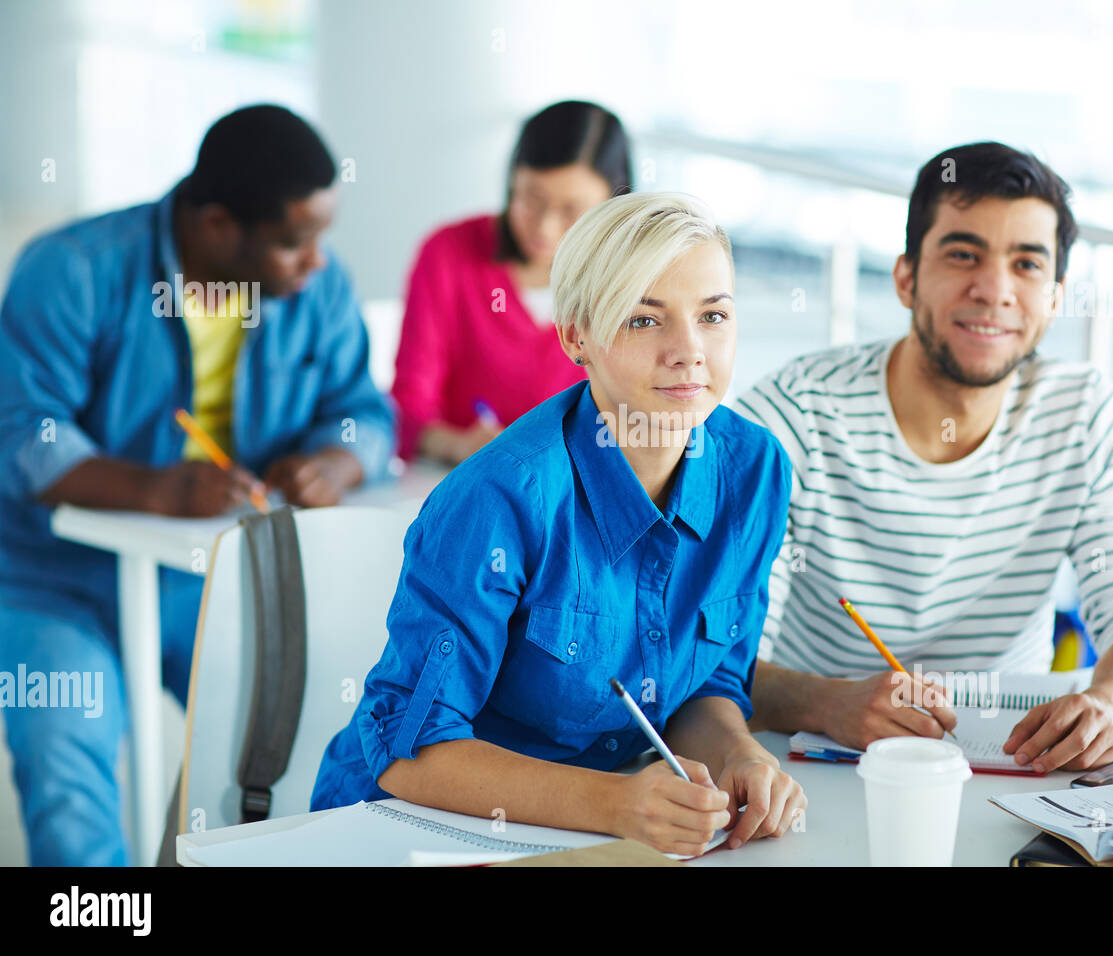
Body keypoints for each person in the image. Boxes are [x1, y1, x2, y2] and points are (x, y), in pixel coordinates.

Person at [313, 192, 806, 857]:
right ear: (577, 336)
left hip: (587, 839)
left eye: (713, 315)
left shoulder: (755, 471)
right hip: (409, 834)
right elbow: (409, 748)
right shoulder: (500, 497)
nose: (690, 352)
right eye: (643, 319)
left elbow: (709, 682)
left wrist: (740, 757)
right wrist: (617, 803)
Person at [0, 104, 395, 865]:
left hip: (211, 582)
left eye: (320, 236)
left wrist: (335, 462)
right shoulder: (71, 269)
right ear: (217, 226)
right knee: (67, 765)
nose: (316, 261)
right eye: (292, 241)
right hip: (56, 583)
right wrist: (158, 491)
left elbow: (366, 413)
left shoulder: (316, 282)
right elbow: (22, 435)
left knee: (296, 746)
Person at [737, 142, 1113, 774]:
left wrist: (1110, 705)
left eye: (1027, 264)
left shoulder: (1084, 416)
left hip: (1019, 768)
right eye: (962, 254)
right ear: (905, 276)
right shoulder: (795, 416)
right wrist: (825, 702)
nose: (994, 290)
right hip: (822, 766)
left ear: (1056, 296)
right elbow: (716, 653)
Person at [391, 100, 631, 465]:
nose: (545, 227)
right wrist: (455, 444)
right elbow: (408, 406)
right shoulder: (447, 255)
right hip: (460, 482)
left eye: (571, 210)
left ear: (613, 207)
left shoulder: (634, 284)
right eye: (530, 198)